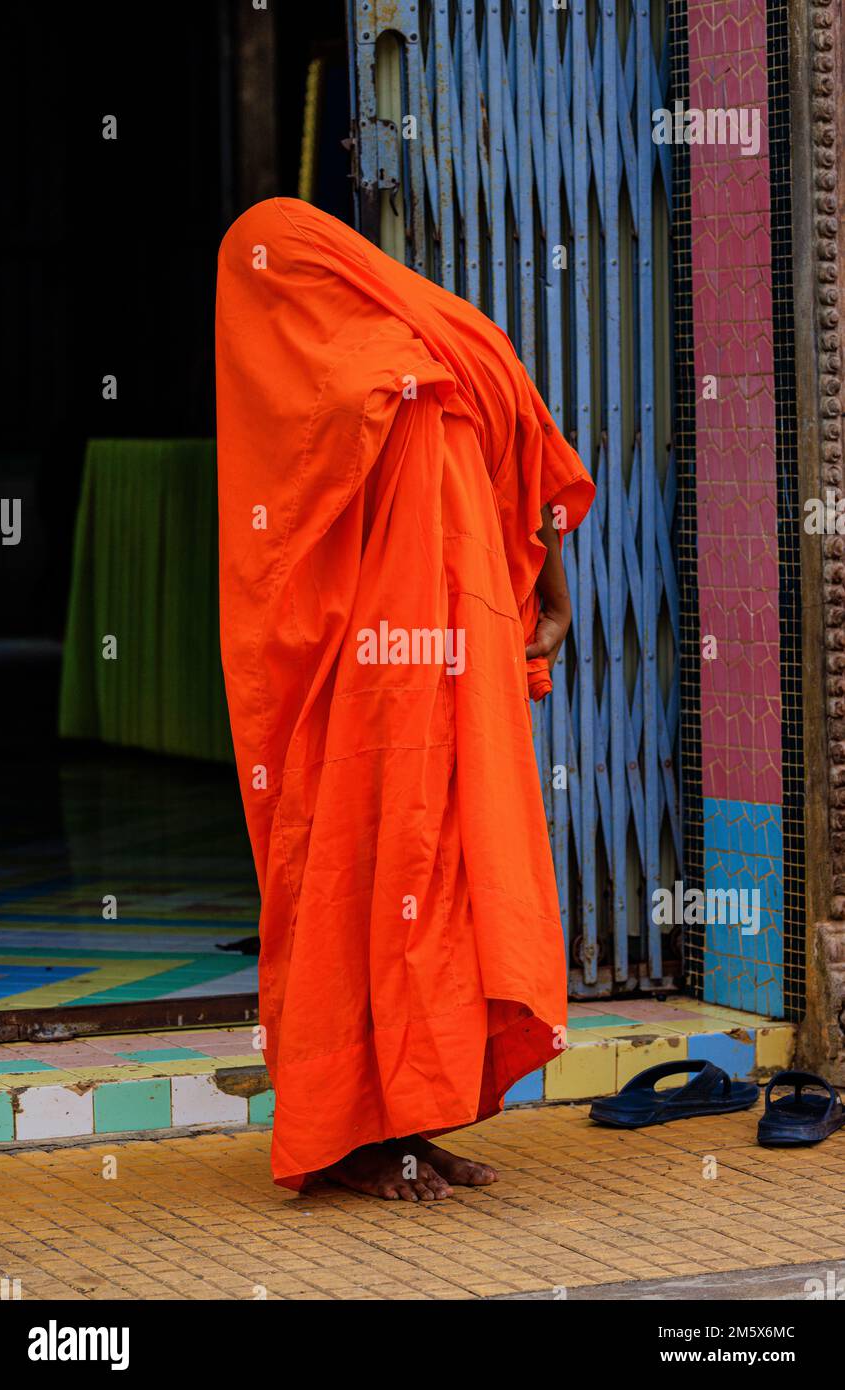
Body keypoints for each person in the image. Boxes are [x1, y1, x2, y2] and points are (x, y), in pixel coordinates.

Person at [215, 198, 595, 1199]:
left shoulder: (396, 357)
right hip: (368, 702)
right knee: (368, 887)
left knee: (439, 884)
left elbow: (521, 443)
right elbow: (533, 441)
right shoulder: (441, 343)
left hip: (445, 686)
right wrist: (553, 595)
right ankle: (349, 1136)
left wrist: (547, 602)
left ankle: (417, 1123)